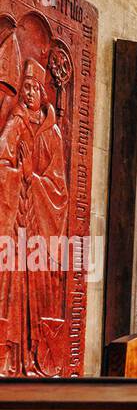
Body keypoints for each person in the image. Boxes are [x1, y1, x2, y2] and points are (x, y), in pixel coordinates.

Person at [0, 60, 70, 376]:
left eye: (34, 88)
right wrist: (17, 176)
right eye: (25, 86)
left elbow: (60, 190)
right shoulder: (15, 124)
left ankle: (35, 358)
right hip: (17, 227)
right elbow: (2, 164)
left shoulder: (52, 133)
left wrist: (34, 179)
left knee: (39, 300)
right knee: (12, 296)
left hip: (39, 231)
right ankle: (11, 358)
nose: (29, 93)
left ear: (43, 93)